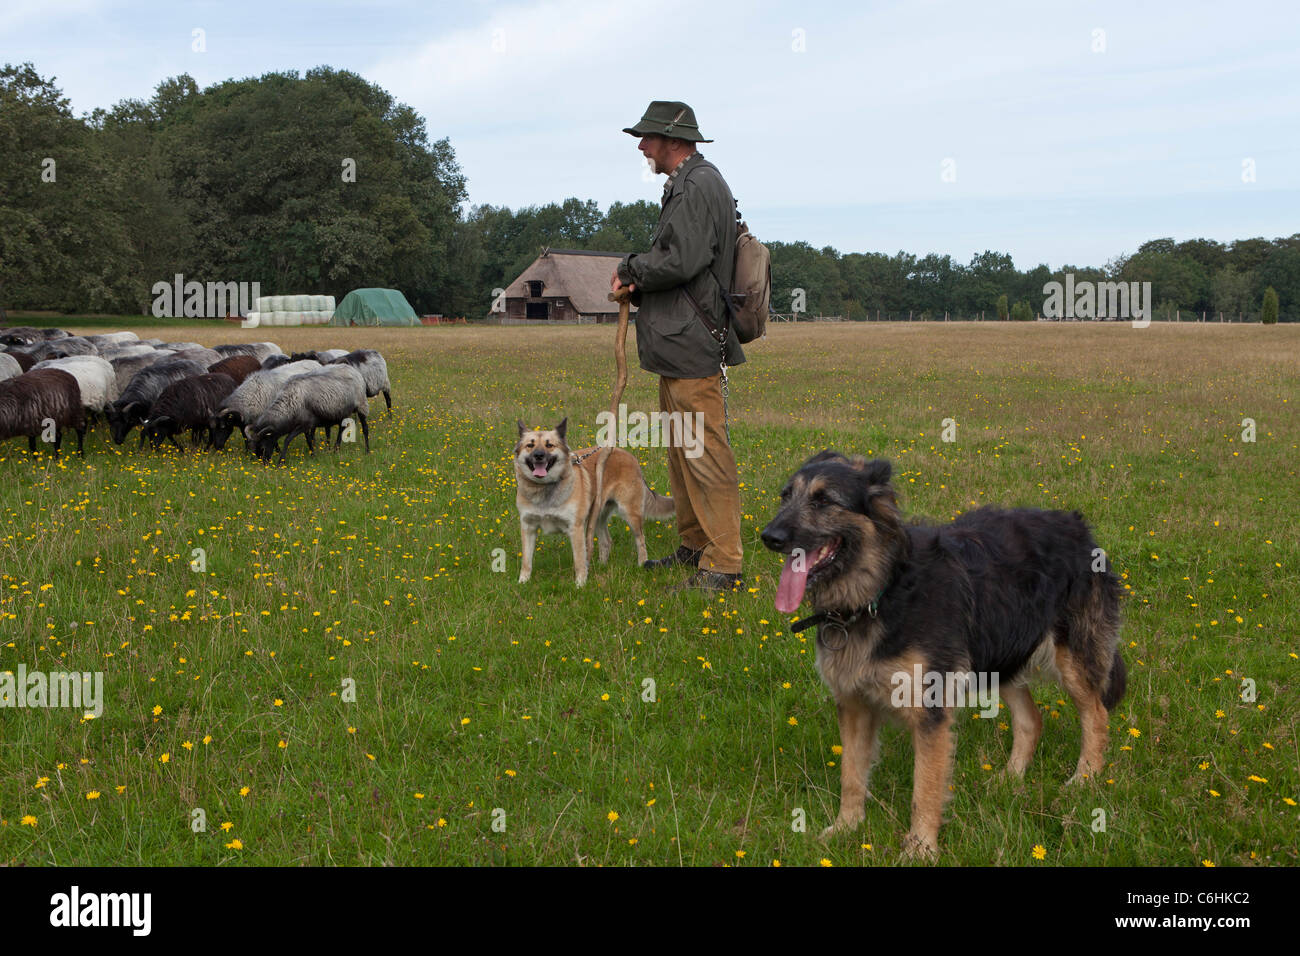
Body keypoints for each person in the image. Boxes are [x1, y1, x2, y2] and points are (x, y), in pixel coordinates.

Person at [609, 101, 744, 592]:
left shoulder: (697, 183)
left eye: (646, 137)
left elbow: (683, 259)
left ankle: (725, 564)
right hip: (678, 342)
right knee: (681, 452)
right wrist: (642, 282)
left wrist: (631, 270)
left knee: (705, 454)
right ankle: (694, 545)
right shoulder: (689, 183)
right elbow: (684, 262)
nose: (641, 146)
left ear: (672, 139)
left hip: (692, 343)